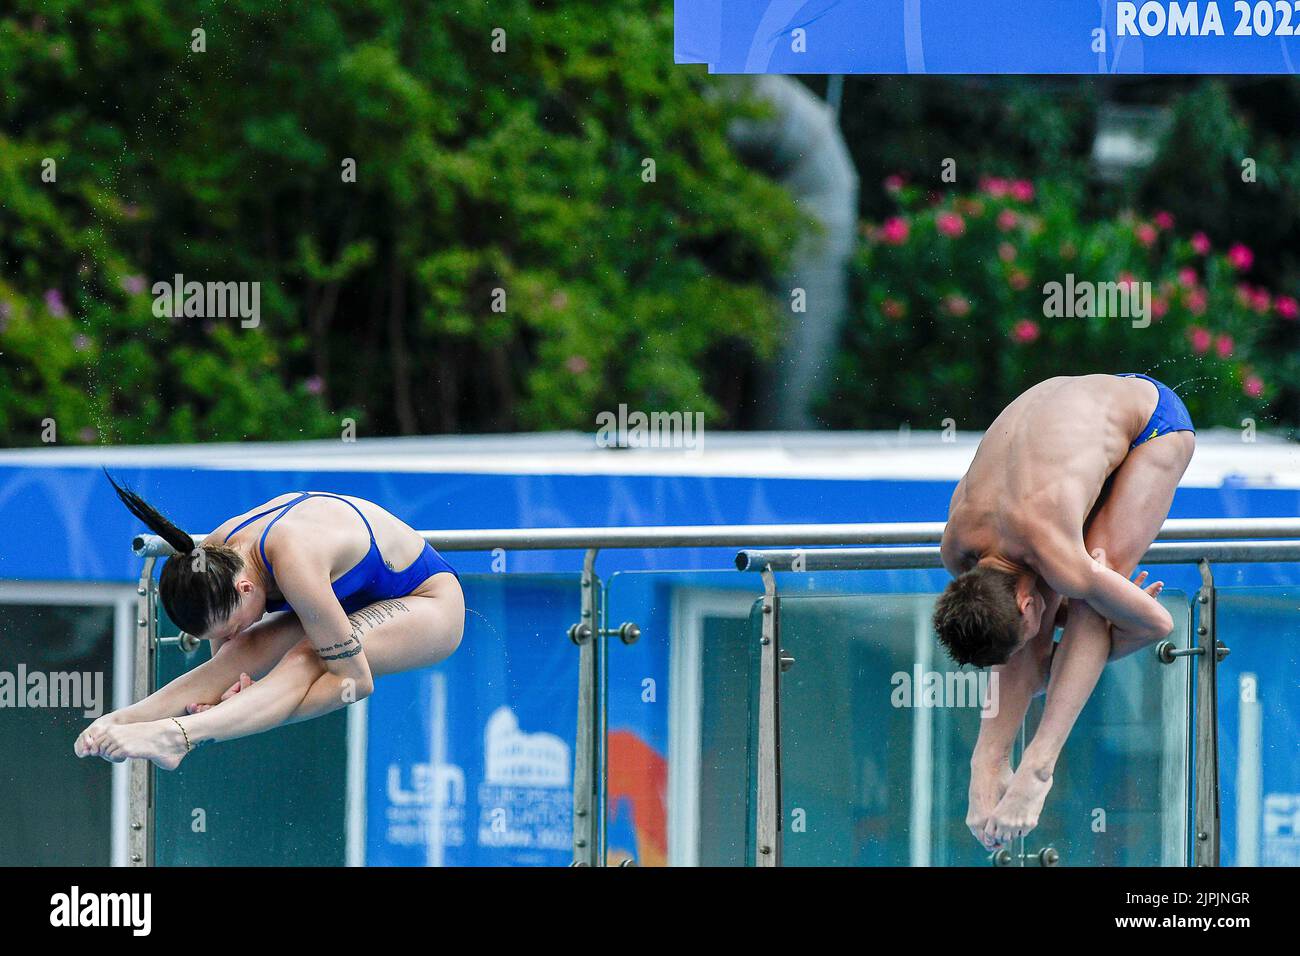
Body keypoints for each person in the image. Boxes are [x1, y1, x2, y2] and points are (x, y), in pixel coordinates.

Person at [933, 373, 1196, 850]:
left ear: (1026, 603)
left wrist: (1053, 670)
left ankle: (1039, 764)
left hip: (1153, 424)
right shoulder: (956, 547)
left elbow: (1159, 624)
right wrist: (1048, 659)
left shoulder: (1050, 558)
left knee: (1094, 586)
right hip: (1059, 400)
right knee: (1058, 597)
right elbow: (995, 613)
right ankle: (985, 763)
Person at [75, 476, 465, 769]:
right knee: (242, 654)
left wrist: (238, 716)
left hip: (426, 601)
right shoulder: (211, 553)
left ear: (245, 588)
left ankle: (179, 738)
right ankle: (124, 717)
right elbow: (229, 661)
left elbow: (354, 682)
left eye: (229, 626)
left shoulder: (295, 563)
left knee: (309, 656)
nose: (233, 635)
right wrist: (232, 695)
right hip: (349, 602)